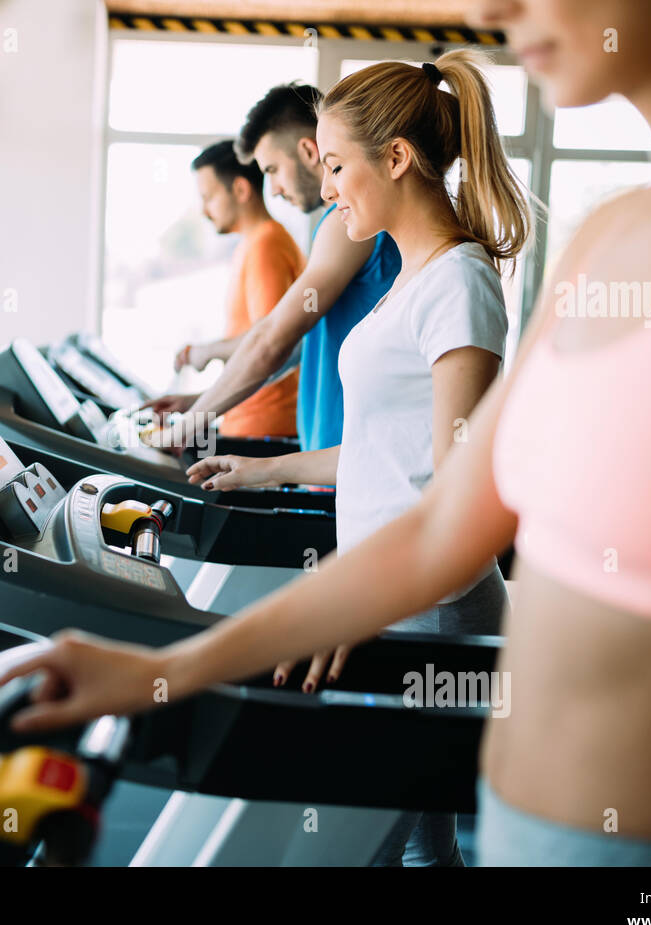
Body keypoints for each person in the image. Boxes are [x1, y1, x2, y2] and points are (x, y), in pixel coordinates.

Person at [0, 0, 651, 866]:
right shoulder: (611, 238)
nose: (490, 8)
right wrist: (162, 667)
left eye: (337, 165)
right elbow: (442, 522)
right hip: (525, 827)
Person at [193, 51, 526, 866]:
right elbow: (389, 457)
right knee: (405, 842)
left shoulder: (460, 283)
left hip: (430, 604)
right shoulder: (412, 280)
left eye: (337, 165)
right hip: (395, 587)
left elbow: (456, 490)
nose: (327, 184)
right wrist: (262, 472)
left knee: (381, 842)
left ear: (398, 159)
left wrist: (362, 604)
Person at [146, 83, 401, 453]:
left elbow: (271, 340)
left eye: (273, 170)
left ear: (307, 150)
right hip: (334, 458)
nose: (275, 190)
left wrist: (188, 426)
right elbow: (297, 346)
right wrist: (199, 402)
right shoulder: (345, 224)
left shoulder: (349, 226)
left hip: (349, 459)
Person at [176, 140, 304, 439]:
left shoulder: (266, 244)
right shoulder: (256, 243)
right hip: (246, 418)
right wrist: (198, 401)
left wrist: (205, 352)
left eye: (208, 197)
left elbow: (272, 342)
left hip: (259, 425)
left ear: (241, 190)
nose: (204, 210)